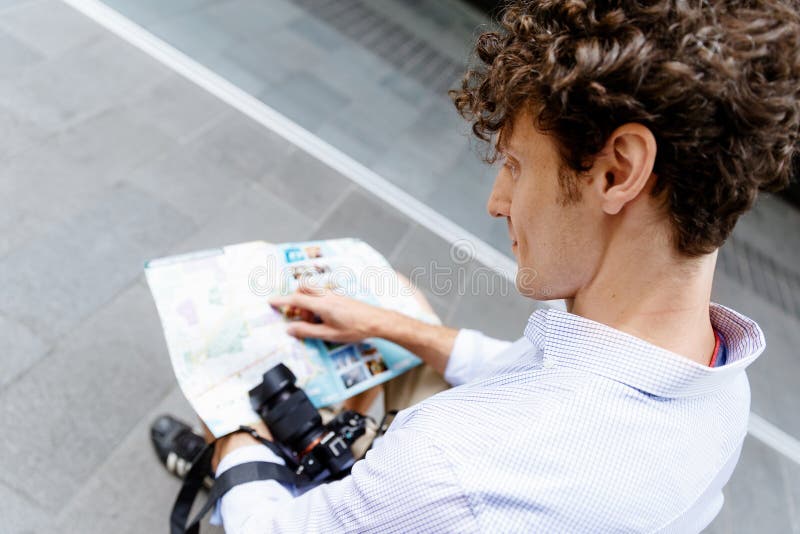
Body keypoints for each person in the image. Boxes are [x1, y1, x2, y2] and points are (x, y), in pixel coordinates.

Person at [151, 0, 800, 531]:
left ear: (617, 171)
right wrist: (387, 324)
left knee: (256, 405)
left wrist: (235, 441)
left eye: (516, 165)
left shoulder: (454, 463)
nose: (497, 202)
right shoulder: (722, 388)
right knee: (399, 310)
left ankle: (219, 470)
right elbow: (521, 369)